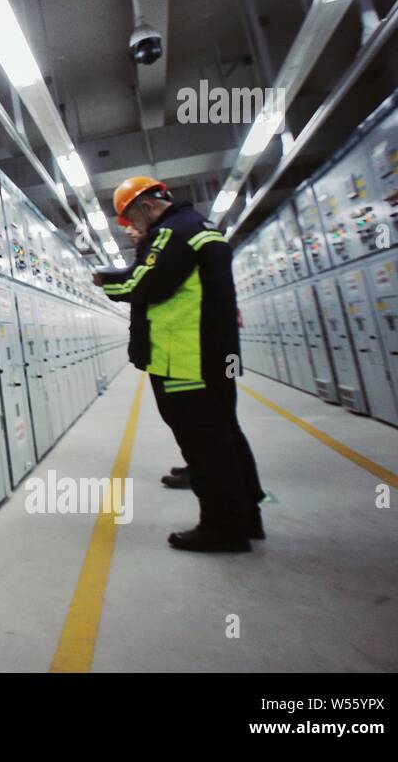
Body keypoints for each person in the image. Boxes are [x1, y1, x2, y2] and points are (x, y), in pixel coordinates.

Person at [93, 176, 265, 552]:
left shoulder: (172, 232)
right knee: (226, 434)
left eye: (130, 220)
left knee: (203, 443)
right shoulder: (202, 229)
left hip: (184, 358)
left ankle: (222, 527)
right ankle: (247, 516)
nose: (133, 229)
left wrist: (104, 279)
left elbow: (144, 284)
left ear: (145, 206)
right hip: (217, 355)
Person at [123, 224, 192, 491]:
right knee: (185, 421)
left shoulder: (170, 249)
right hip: (170, 355)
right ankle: (196, 467)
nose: (130, 232)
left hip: (183, 357)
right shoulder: (161, 251)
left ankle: (231, 505)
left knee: (201, 424)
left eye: (133, 225)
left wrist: (109, 282)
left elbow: (139, 286)